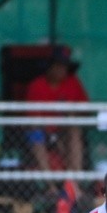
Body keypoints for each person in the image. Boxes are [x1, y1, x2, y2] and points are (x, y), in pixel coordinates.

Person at [24, 46, 89, 177]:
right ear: (49, 67)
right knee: (36, 135)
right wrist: (52, 134)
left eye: (64, 66)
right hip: (43, 130)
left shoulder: (73, 82)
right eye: (58, 66)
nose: (61, 70)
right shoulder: (37, 85)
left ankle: (73, 181)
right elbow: (33, 120)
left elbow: (86, 110)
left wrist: (72, 114)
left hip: (64, 129)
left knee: (74, 130)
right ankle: (50, 185)